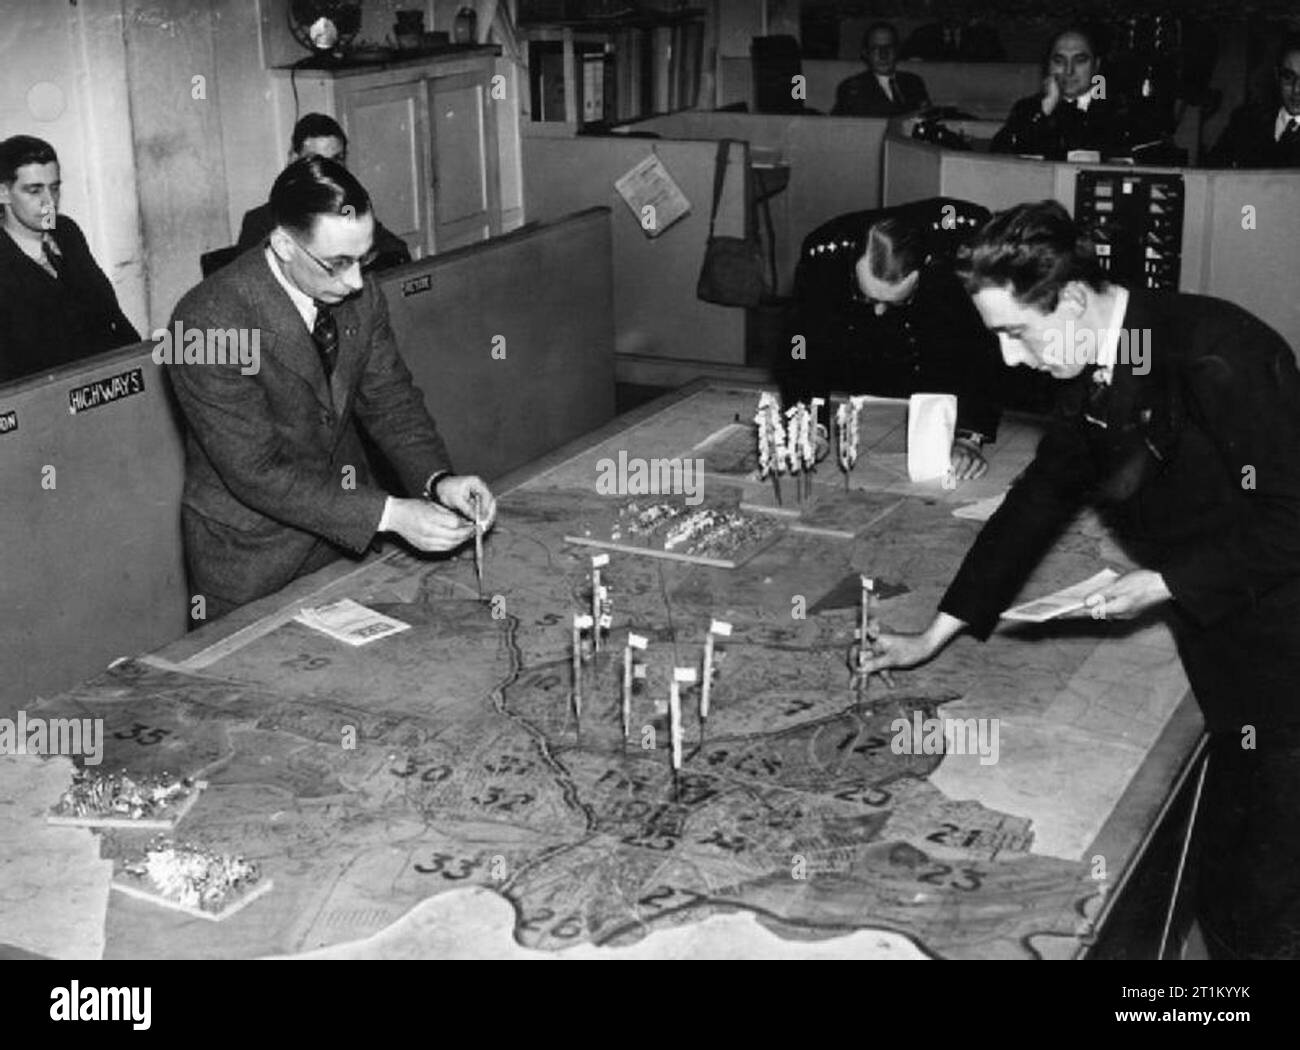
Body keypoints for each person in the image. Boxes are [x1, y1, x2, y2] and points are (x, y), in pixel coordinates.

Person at [858, 200, 1300, 959]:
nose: (1008, 360)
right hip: (1222, 628)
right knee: (1235, 830)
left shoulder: (1217, 351)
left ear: (1066, 300)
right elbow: (1042, 494)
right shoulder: (1094, 354)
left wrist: (1165, 580)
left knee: (1274, 865)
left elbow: (1294, 515)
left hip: (1286, 638)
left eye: (1014, 333)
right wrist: (939, 629)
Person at [168, 155, 496, 621]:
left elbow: (392, 401)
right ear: (283, 244)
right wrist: (392, 515)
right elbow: (256, 472)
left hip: (342, 544)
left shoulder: (358, 293)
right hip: (251, 560)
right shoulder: (206, 324)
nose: (357, 281)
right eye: (338, 263)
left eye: (365, 259)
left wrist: (437, 481)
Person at [782, 200, 1041, 482]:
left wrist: (969, 436)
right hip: (866, 362)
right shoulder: (824, 253)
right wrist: (809, 423)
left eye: (894, 300)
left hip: (941, 356)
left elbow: (984, 347)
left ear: (923, 270)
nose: (879, 311)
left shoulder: (965, 246)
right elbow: (801, 344)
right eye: (868, 297)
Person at [0, 135, 139, 384]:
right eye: (34, 190)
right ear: (3, 193)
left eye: (54, 188)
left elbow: (111, 315)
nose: (49, 202)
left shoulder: (65, 231)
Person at [236, 113, 411, 272]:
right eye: (318, 161)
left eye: (337, 159)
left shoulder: (348, 208)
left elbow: (394, 250)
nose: (330, 171)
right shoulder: (262, 222)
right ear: (294, 159)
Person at [991, 27, 1131, 158]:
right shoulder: (1028, 109)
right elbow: (999, 154)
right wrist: (1044, 110)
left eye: (1079, 61)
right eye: (1059, 61)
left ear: (1096, 66)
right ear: (1048, 66)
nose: (1069, 71)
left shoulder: (1120, 110)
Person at [1207, 35, 1300, 169]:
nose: (1297, 89)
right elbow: (1212, 174)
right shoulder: (1245, 121)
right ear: (1276, 76)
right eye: (1288, 77)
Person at [832, 23, 930, 117]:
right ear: (866, 53)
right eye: (875, 48)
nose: (883, 55)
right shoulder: (851, 88)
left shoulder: (913, 83)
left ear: (897, 51)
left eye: (889, 48)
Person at [901, 1, 1005, 63]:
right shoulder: (922, 35)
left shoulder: (985, 36)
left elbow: (1000, 66)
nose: (954, 11)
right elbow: (904, 60)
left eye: (959, 4)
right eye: (948, 4)